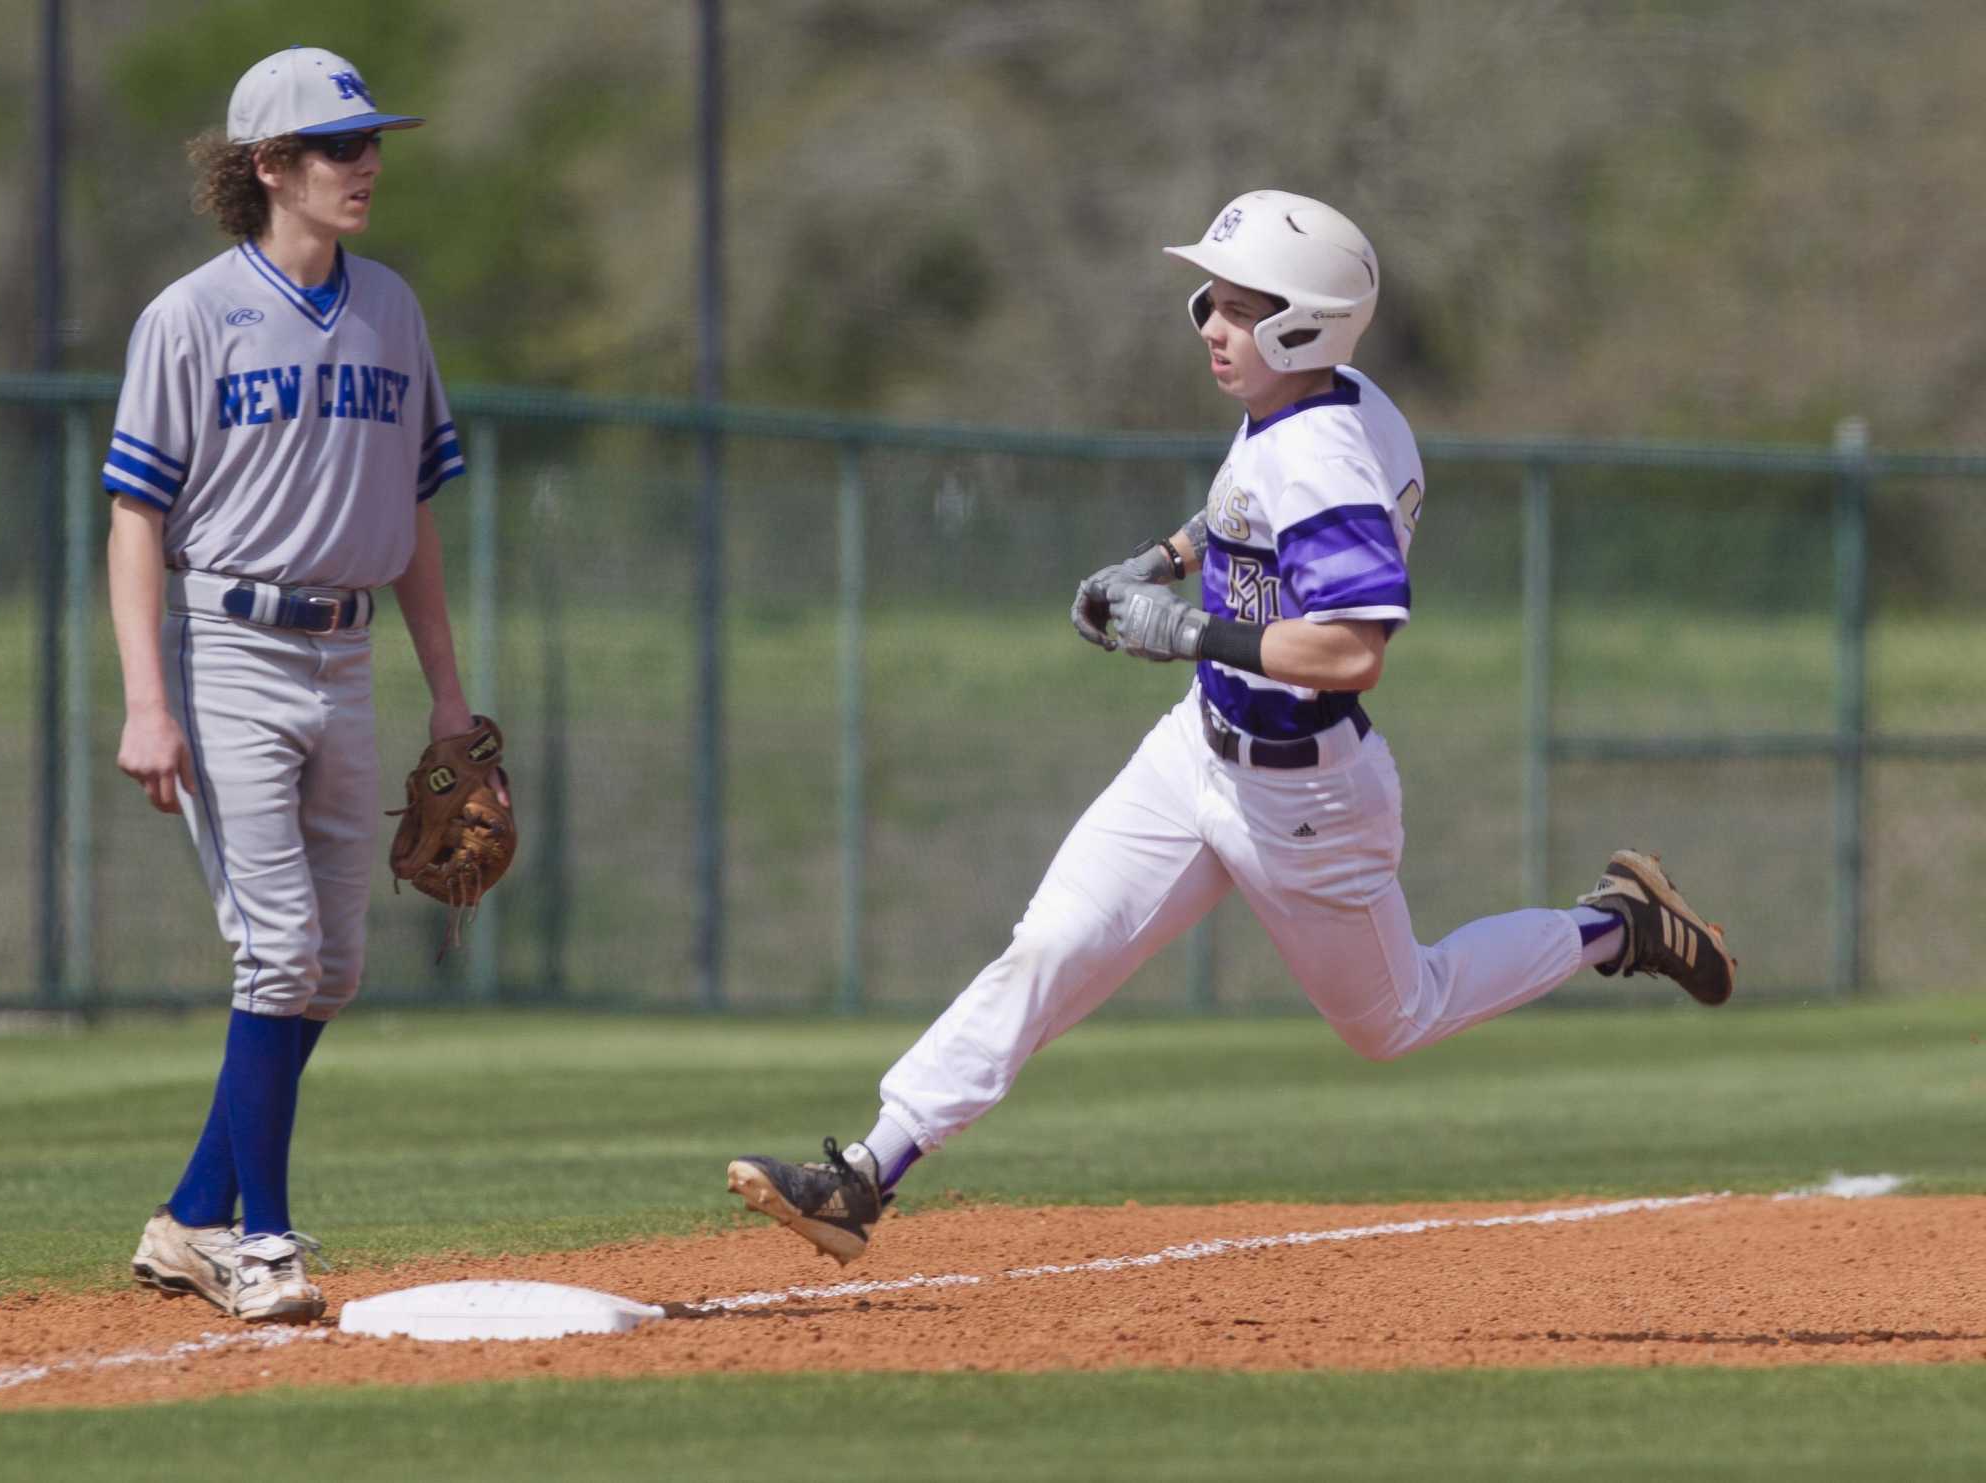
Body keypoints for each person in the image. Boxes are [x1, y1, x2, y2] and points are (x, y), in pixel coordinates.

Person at [726, 190, 1734, 1266]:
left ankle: (1616, 925)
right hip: (1192, 752)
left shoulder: (1329, 455)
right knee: (1050, 947)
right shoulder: (1304, 400)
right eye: (1210, 296)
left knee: (1393, 1018)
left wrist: (1187, 629)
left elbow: (1350, 650)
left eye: (1241, 305)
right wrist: (1156, 565)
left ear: (1304, 320)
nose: (1209, 318)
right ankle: (863, 1177)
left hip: (1306, 796)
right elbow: (1237, 510)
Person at [108, 46, 493, 1322]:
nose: (365, 162)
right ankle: (261, 1243)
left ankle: (187, 1219)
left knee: (331, 970)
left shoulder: (391, 307)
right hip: (228, 650)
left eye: (372, 141)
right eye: (338, 147)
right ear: (268, 167)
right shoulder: (189, 316)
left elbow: (416, 514)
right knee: (276, 952)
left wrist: (447, 692)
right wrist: (144, 699)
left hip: (346, 652)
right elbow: (133, 519)